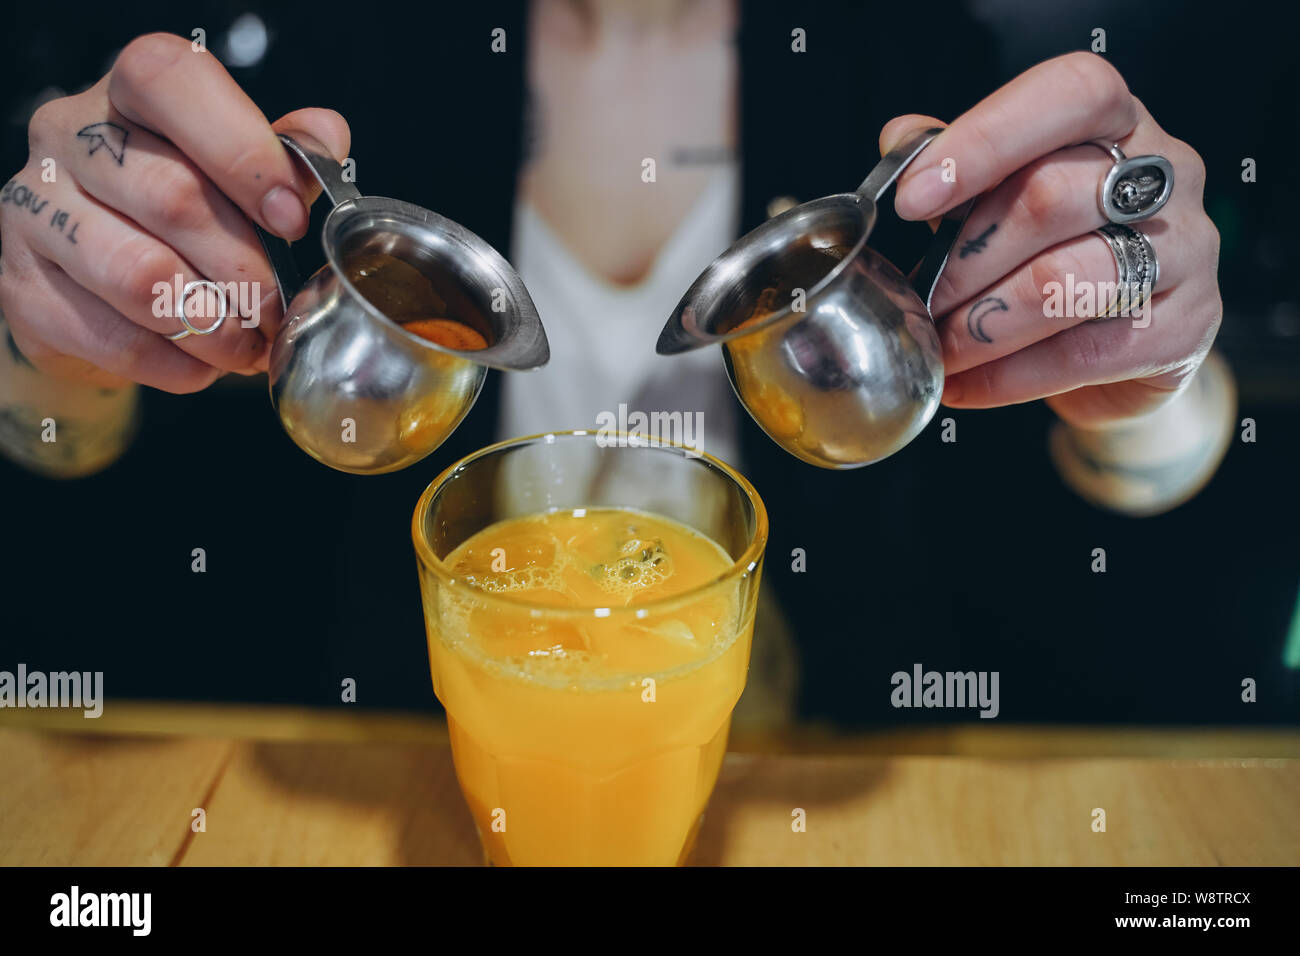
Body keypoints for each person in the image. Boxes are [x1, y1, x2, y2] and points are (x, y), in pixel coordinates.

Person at [0, 2, 1249, 727]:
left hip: (809, 767)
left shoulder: (905, 63)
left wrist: (1145, 374)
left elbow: (1142, 489)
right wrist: (55, 339)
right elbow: (81, 461)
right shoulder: (337, 49)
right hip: (413, 766)